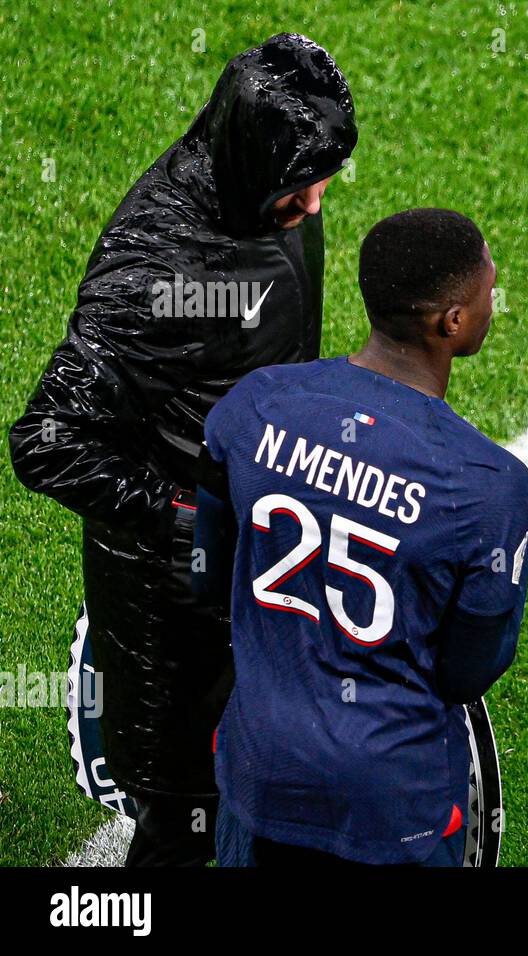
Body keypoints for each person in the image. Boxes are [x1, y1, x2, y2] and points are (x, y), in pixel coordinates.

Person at [7, 33, 357, 865]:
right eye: (299, 189)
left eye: (319, 184)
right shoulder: (155, 266)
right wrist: (180, 514)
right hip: (171, 601)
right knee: (181, 822)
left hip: (254, 556)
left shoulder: (269, 186)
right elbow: (46, 440)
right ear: (249, 156)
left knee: (260, 784)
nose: (314, 206)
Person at [198, 208, 528, 866]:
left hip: (261, 778)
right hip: (389, 807)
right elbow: (465, 673)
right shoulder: (489, 486)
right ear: (451, 323)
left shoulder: (257, 403)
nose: (495, 293)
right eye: (489, 285)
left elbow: (209, 578)